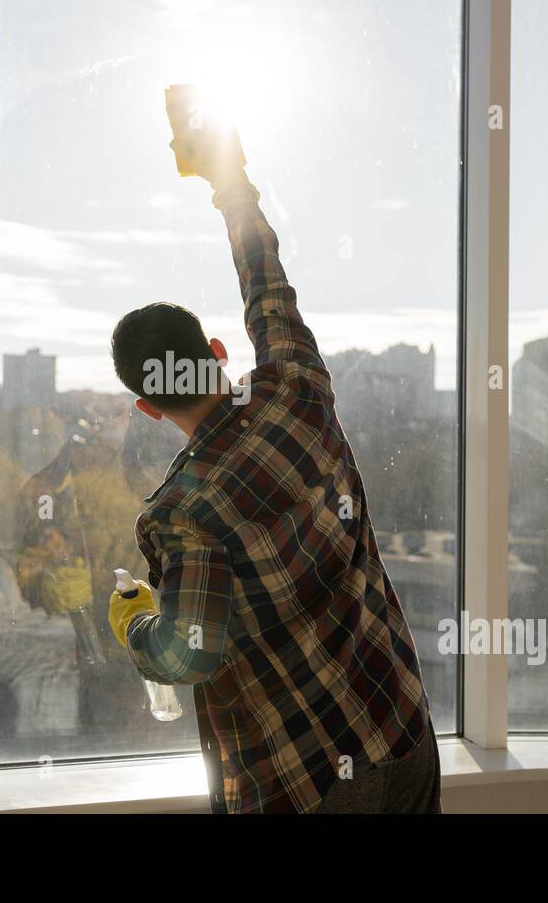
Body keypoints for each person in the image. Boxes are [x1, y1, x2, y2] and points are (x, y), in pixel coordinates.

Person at [106, 125, 442, 814]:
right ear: (219, 350)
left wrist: (136, 626)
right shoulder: (297, 386)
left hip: (311, 786)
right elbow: (267, 281)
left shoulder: (178, 516)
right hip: (401, 729)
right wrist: (228, 184)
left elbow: (187, 657)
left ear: (146, 407)